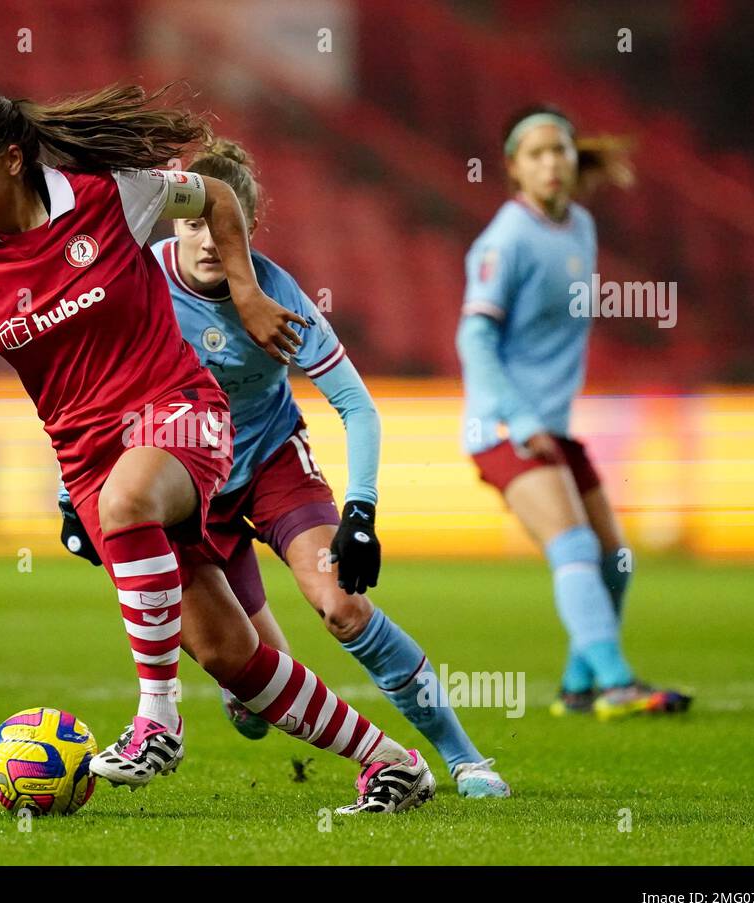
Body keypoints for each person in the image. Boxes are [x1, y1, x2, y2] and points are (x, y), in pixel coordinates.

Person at [0, 84, 434, 813]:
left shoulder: (112, 197)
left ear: (12, 160)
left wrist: (246, 292)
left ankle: (157, 721)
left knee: (129, 500)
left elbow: (214, 197)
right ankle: (391, 763)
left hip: (182, 410)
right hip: (88, 459)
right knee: (230, 655)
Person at [61, 139, 510, 797]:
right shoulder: (140, 283)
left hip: (271, 464)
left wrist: (359, 511)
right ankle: (252, 682)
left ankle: (465, 759)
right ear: (172, 221)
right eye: (193, 224)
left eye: (222, 226)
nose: (209, 241)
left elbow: (357, 405)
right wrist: (70, 492)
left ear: (247, 226)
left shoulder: (280, 297)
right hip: (187, 486)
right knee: (247, 674)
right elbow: (82, 388)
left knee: (344, 608)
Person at [454, 105, 691, 720]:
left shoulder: (579, 227)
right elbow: (473, 339)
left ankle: (578, 687)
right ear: (513, 168)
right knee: (575, 547)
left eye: (559, 149)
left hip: (551, 425)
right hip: (505, 426)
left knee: (616, 557)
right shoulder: (503, 241)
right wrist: (522, 419)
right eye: (535, 154)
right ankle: (616, 684)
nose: (551, 162)